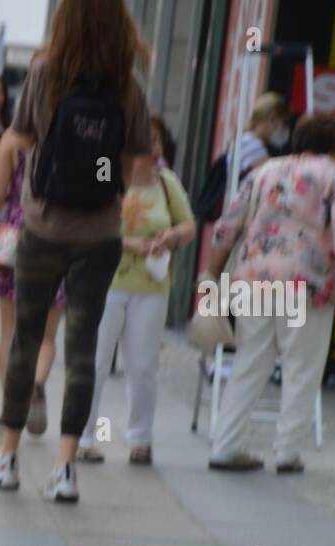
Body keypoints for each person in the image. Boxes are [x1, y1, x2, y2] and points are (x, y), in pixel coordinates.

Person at [0, 0, 153, 503]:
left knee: (25, 342)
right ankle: (65, 468)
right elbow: (140, 166)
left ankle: (8, 458)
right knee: (82, 352)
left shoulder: (43, 73)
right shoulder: (128, 86)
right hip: (99, 235)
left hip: (42, 227)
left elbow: (22, 138)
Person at [207, 113, 335, 475]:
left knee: (249, 361)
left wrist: (212, 274)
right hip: (304, 287)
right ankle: (286, 452)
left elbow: (229, 223)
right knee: (301, 367)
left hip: (255, 280)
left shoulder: (264, 171)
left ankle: (225, 447)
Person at [78, 116, 195, 465]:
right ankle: (84, 436)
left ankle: (140, 438)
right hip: (106, 282)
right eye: (145, 139)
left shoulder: (166, 182)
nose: (152, 147)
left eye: (156, 140)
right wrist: (129, 244)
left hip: (152, 285)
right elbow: (89, 222)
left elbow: (188, 224)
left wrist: (173, 237)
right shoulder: (106, 172)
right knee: (96, 361)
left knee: (143, 365)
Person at [0, 139, 65, 433]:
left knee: (10, 332)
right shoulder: (69, 136)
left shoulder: (14, 141)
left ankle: (11, 410)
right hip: (59, 237)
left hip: (19, 238)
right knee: (47, 336)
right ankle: (38, 383)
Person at [238, 92, 292, 179]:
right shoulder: (249, 144)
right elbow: (272, 177)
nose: (285, 130)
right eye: (284, 124)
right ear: (272, 118)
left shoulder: (246, 140)